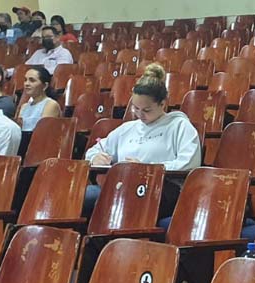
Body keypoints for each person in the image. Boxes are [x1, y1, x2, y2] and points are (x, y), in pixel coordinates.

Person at [84, 63, 201, 217]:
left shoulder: (179, 126)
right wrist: (95, 157)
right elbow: (95, 150)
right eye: (136, 108)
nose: (140, 115)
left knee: (118, 200)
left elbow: (190, 163)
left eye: (146, 110)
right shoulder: (127, 128)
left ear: (162, 104)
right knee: (83, 196)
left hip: (160, 190)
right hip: (122, 185)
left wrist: (146, 169)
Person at [18, 66, 62, 131]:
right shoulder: (24, 107)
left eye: (32, 80)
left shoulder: (51, 104)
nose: (26, 84)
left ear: (45, 86)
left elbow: (44, 132)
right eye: (25, 80)